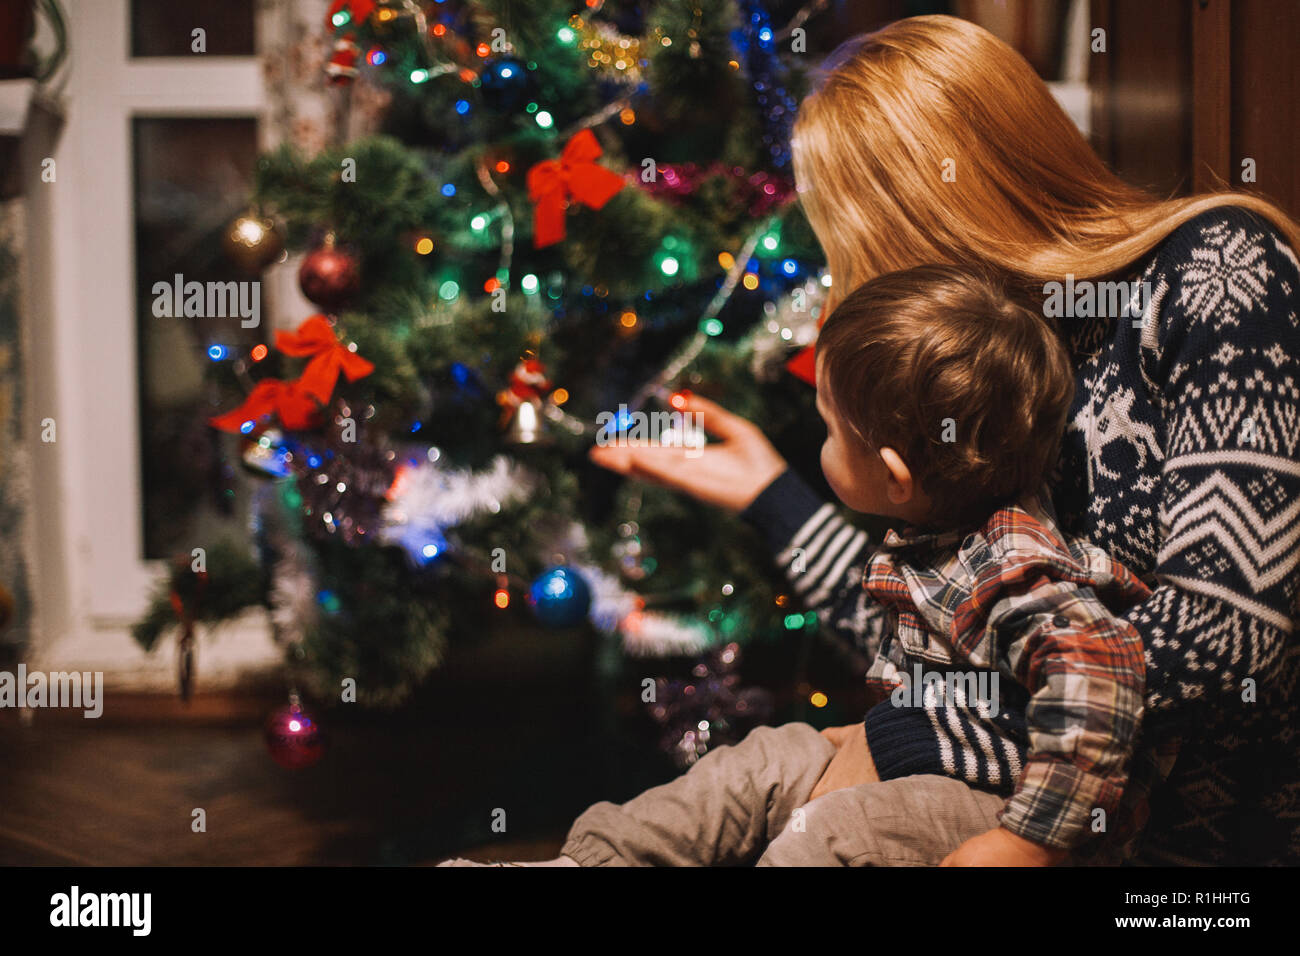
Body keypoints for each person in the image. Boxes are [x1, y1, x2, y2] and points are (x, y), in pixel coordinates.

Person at [588, 15, 1300, 866]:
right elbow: (946, 626)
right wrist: (768, 496)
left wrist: (917, 739)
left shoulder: (1219, 271)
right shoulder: (990, 349)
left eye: (848, 240)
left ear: (929, 208)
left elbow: (1231, 627)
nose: (847, 277)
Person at [442, 265, 1155, 867]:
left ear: (895, 476)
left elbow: (1104, 669)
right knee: (748, 768)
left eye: (828, 426)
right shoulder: (943, 525)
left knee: (822, 839)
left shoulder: (1014, 562)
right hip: (916, 752)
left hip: (990, 805)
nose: (820, 440)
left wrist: (1029, 840)